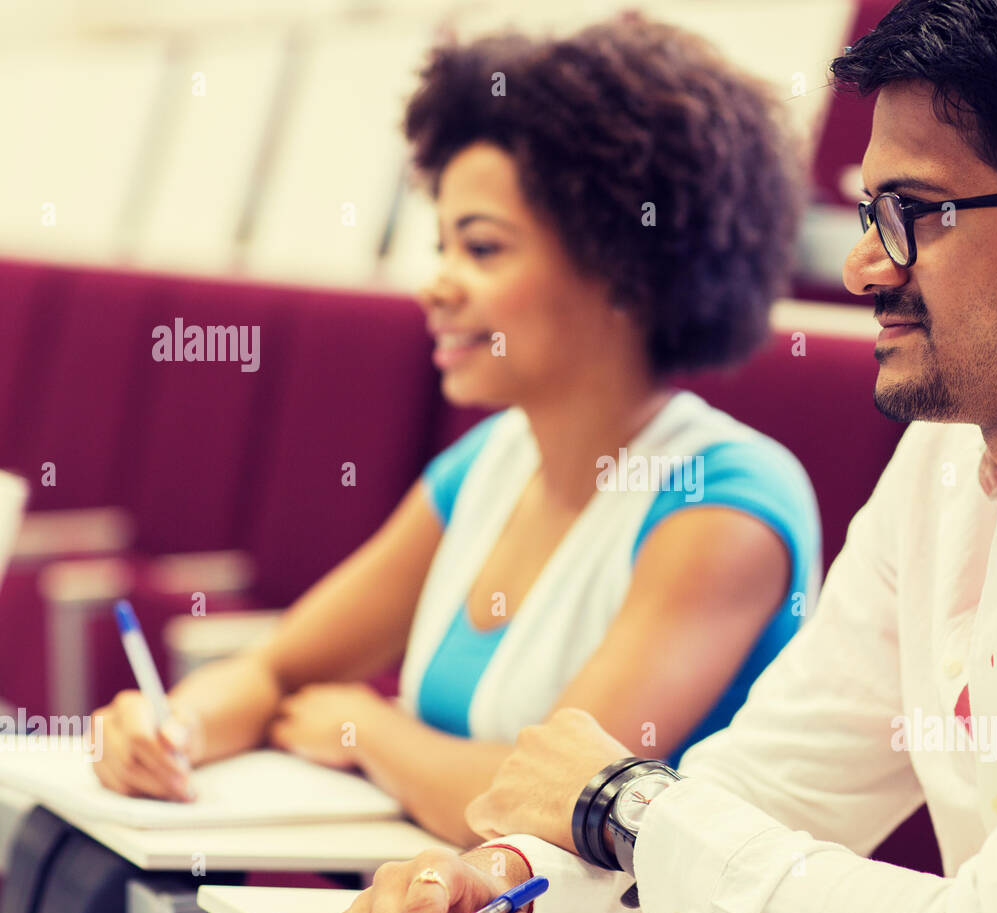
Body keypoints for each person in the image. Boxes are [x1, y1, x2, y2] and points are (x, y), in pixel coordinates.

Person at [301, 0, 997, 913]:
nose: (866, 265)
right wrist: (506, 877)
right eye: (869, 211)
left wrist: (620, 804)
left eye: (911, 213)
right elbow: (768, 788)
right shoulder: (953, 447)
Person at [89, 15, 820, 849]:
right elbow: (275, 671)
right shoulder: (490, 462)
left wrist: (372, 731)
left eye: (482, 248)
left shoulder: (726, 508)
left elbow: (554, 806)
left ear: (624, 266)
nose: (437, 285)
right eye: (442, 245)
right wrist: (167, 727)